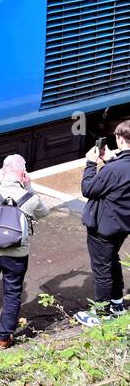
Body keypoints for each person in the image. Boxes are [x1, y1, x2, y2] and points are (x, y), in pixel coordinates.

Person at [0, 155, 49, 349]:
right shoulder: (30, 198)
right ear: (23, 174)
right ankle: (4, 338)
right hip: (16, 255)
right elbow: (43, 213)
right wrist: (29, 187)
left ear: (3, 171)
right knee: (13, 294)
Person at [76, 122, 130, 327]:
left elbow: (88, 189)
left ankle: (100, 313)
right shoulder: (117, 166)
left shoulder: (114, 169)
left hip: (103, 227)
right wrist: (110, 161)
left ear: (120, 139)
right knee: (112, 260)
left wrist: (91, 164)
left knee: (102, 269)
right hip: (123, 225)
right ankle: (117, 304)